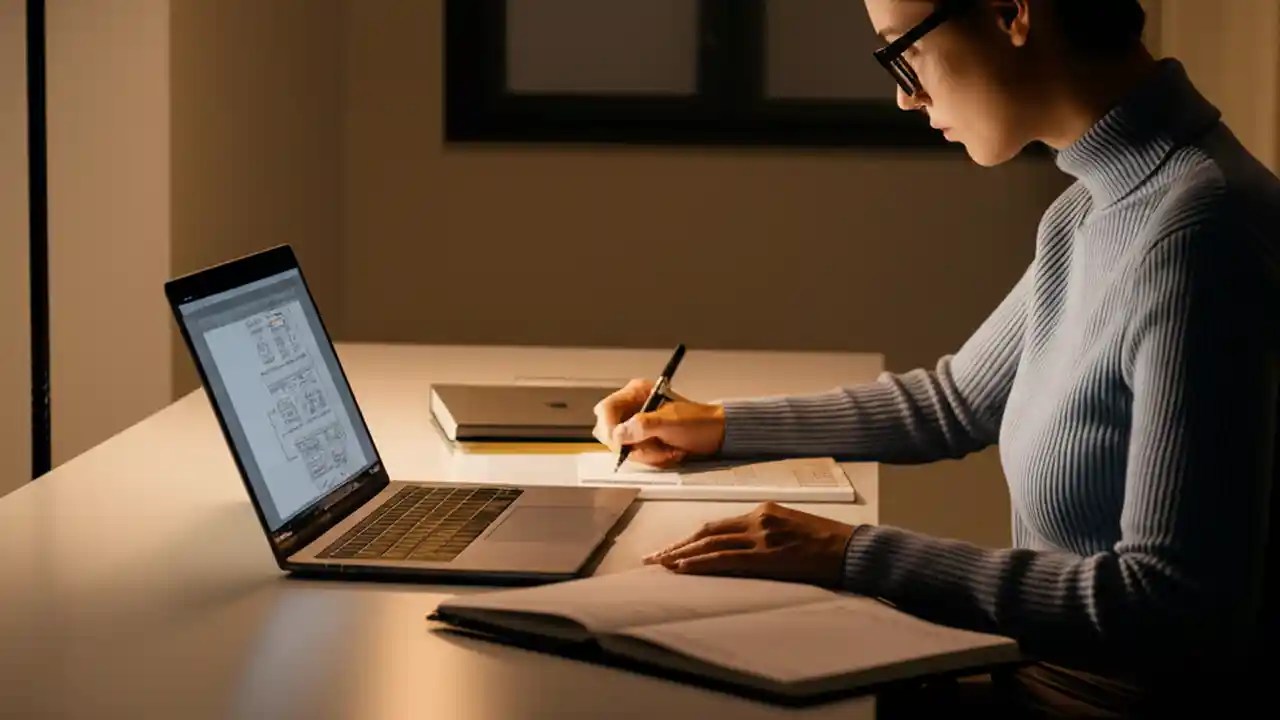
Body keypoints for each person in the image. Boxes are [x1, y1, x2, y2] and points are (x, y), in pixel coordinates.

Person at [592, 0, 1280, 716]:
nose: (905, 94)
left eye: (904, 49)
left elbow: (1170, 605)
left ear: (1011, 12)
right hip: (1036, 680)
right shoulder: (1091, 211)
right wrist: (717, 425)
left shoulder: (1204, 234)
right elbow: (954, 402)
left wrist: (853, 555)